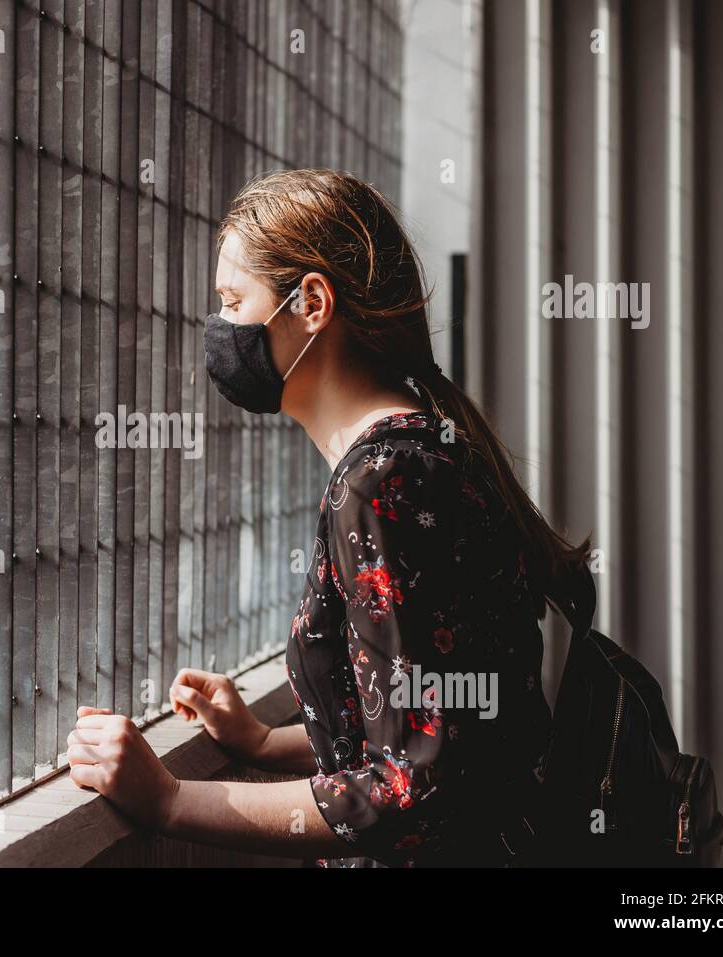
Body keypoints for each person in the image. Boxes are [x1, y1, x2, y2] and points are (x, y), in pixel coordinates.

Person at [66, 168, 590, 867]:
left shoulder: (384, 482)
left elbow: (411, 787)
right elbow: (430, 728)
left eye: (233, 300)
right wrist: (256, 740)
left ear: (311, 303)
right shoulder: (421, 449)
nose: (220, 329)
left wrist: (165, 799)